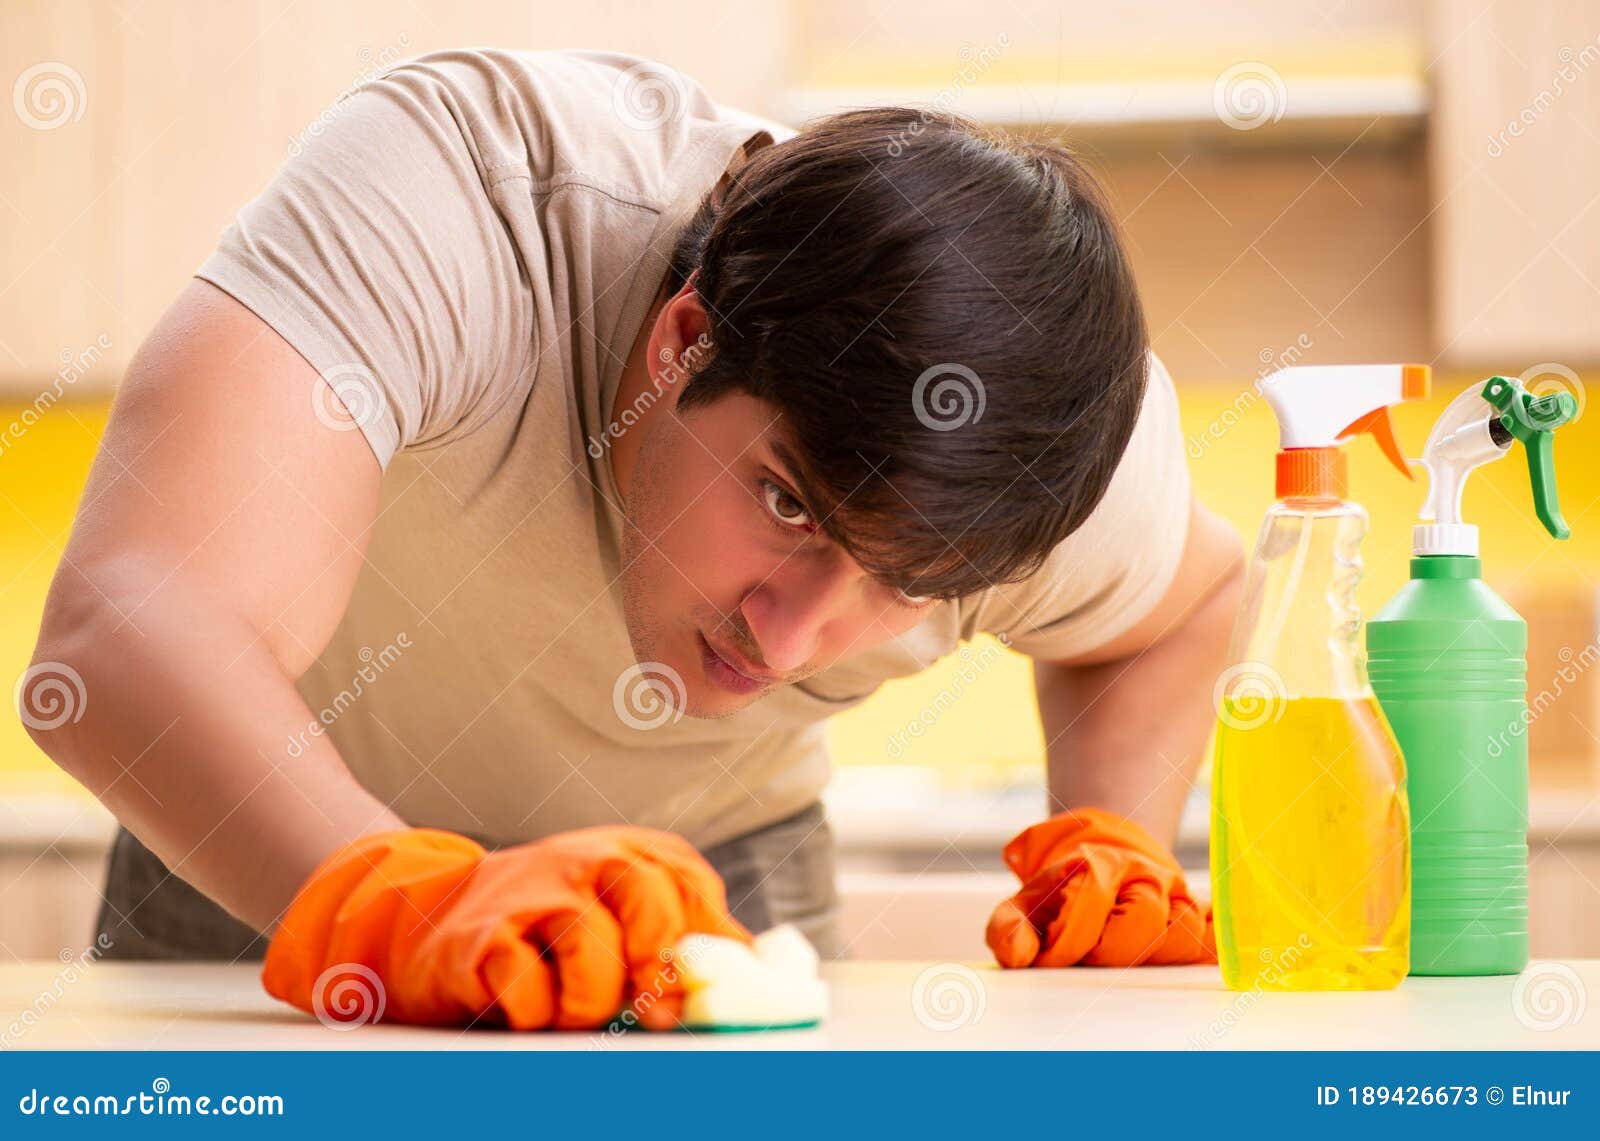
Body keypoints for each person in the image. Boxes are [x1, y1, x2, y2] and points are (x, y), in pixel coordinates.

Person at [25, 49, 1244, 1030]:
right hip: (285, 854)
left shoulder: (1051, 449)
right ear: (683, 344)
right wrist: (406, 905)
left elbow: (1185, 608)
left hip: (710, 891)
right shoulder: (469, 194)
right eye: (788, 505)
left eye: (904, 585)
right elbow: (121, 636)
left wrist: (1116, 843)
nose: (789, 640)